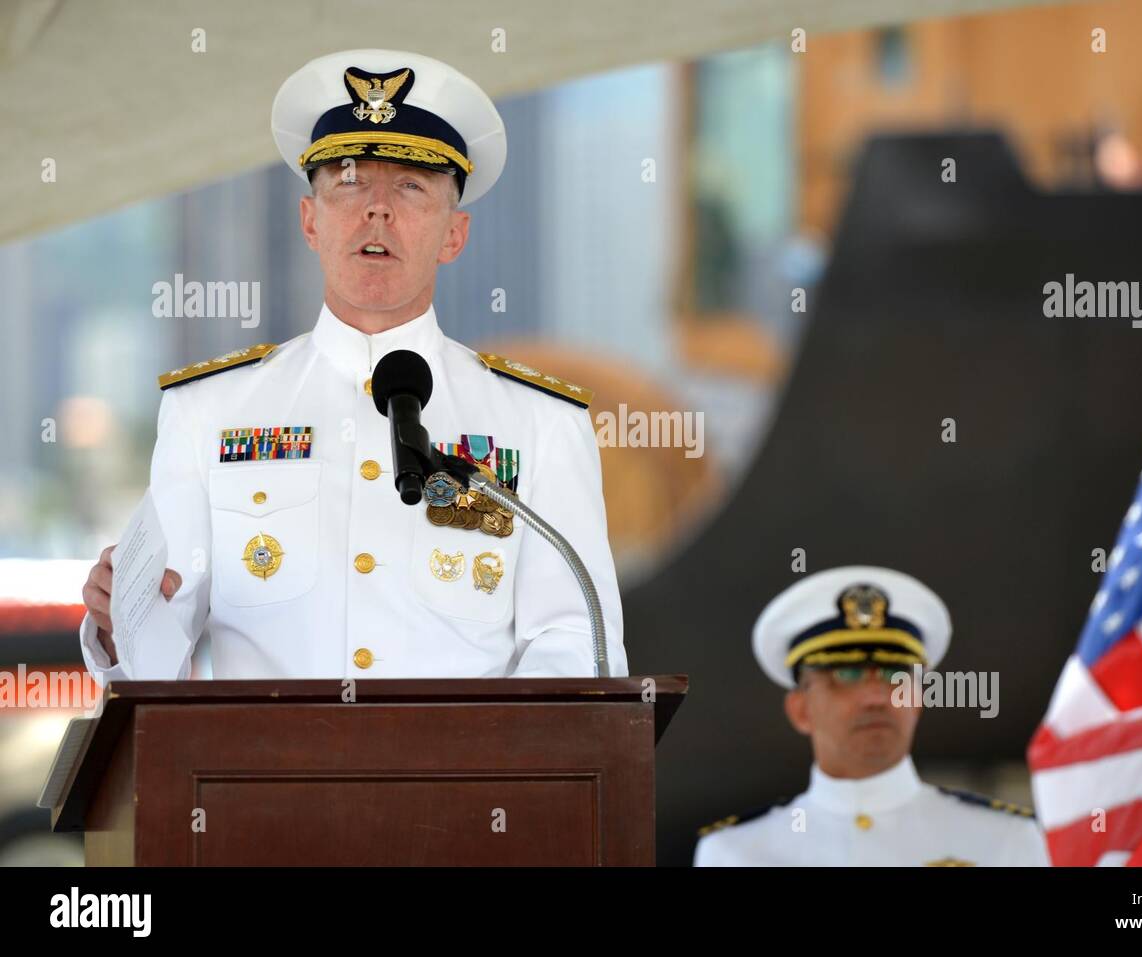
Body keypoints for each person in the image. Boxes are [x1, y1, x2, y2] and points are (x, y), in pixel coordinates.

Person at [78, 49, 626, 682]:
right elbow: (161, 637)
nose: (377, 209)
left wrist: (492, 769)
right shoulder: (208, 412)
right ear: (310, 221)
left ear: (455, 235)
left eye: (411, 186)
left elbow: (576, 642)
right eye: (349, 181)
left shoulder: (540, 424)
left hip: (462, 778)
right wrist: (124, 627)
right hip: (263, 777)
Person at [693, 566, 1049, 866]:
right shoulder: (736, 855)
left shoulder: (1005, 841)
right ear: (801, 709)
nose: (876, 696)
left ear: (918, 698)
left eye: (895, 675)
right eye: (846, 675)